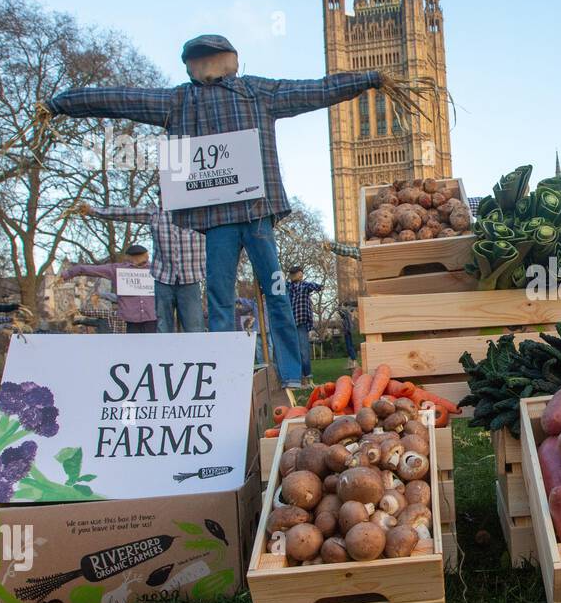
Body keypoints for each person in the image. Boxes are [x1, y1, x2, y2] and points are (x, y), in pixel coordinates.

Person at [42, 33, 400, 388]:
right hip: (250, 216)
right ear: (231, 60)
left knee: (225, 300)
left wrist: (62, 103)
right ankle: (278, 374)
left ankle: (234, 374)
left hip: (223, 222)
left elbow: (118, 99)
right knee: (270, 295)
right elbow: (317, 90)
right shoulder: (252, 92)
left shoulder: (180, 100)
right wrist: (368, 79)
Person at [77, 200, 206, 332]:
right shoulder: (155, 214)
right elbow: (125, 213)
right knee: (163, 328)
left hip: (190, 279)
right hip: (163, 280)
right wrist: (92, 210)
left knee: (194, 327)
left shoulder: (198, 213)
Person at [62, 245, 157, 333]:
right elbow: (91, 269)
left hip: (152, 317)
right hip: (130, 319)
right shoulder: (118, 269)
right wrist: (68, 274)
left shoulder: (155, 269)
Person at [286, 267, 322, 383]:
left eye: (295, 274)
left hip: (301, 323)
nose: (293, 276)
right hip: (291, 323)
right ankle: (299, 376)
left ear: (300, 274)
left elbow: (314, 286)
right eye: (292, 274)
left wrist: (320, 287)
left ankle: (307, 376)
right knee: (294, 351)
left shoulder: (304, 286)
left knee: (303, 351)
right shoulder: (288, 287)